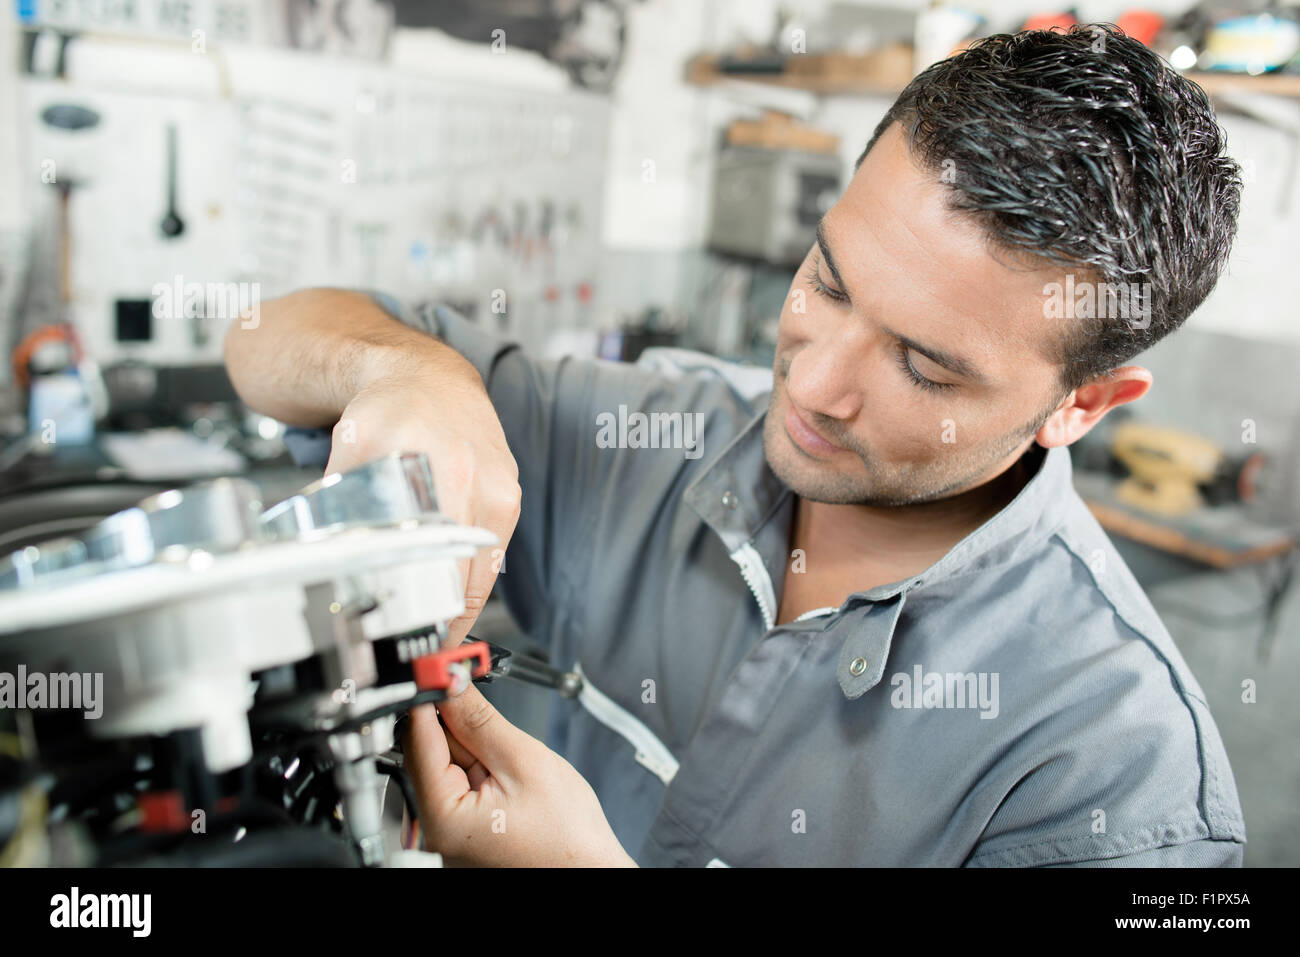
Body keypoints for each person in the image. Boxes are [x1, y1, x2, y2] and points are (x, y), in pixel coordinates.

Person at [224, 25, 1246, 867]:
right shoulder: (650, 439)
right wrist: (409, 372)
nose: (810, 382)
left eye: (924, 367)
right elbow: (263, 338)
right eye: (830, 283)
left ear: (1085, 403)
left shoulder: (1117, 781)